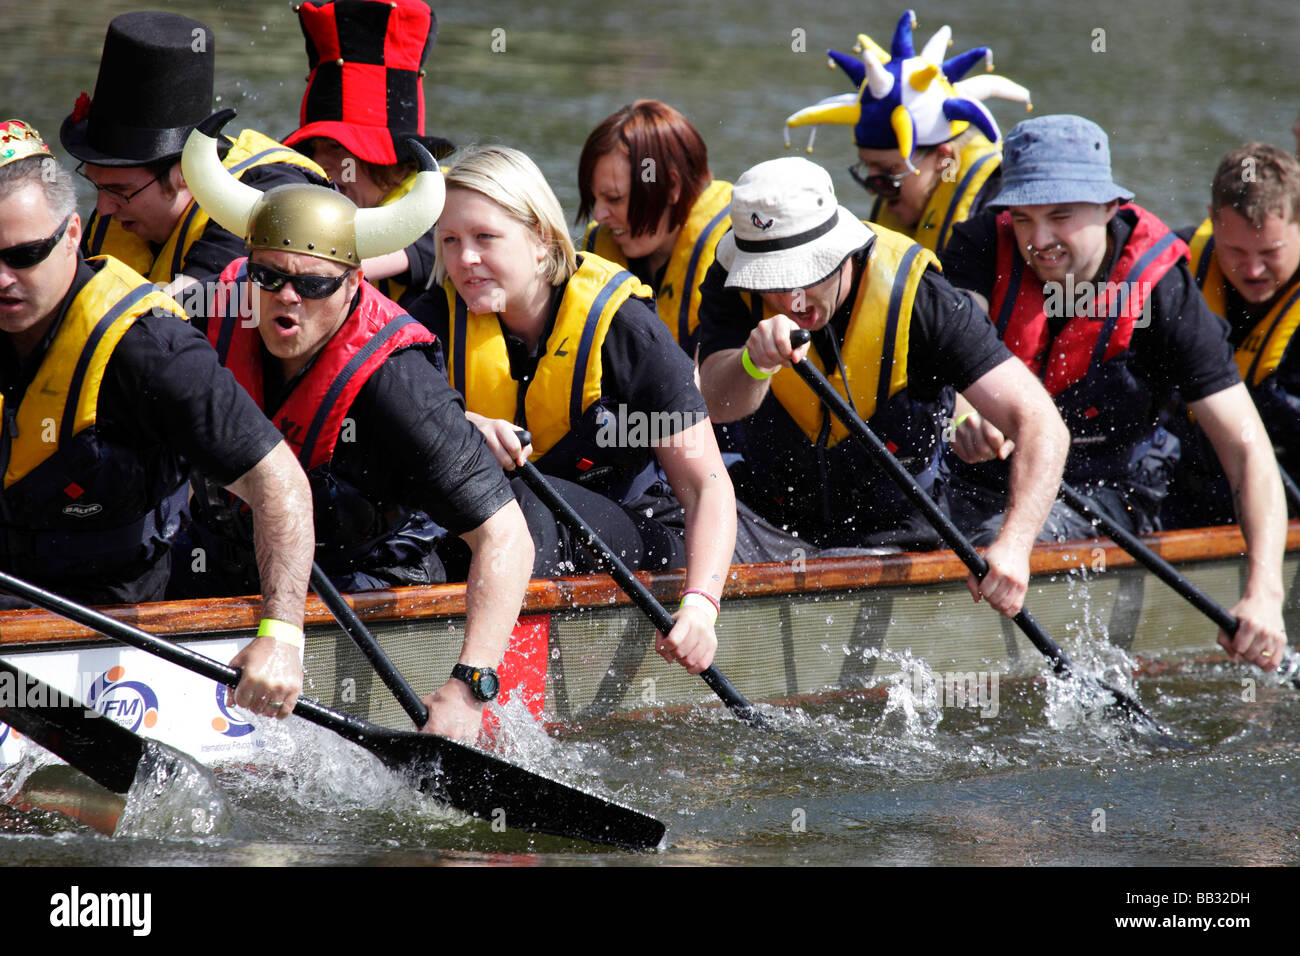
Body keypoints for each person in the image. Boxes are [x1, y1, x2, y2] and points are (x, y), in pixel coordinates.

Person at [180, 116, 532, 740]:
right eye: (268, 277)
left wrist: (470, 686)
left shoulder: (397, 384)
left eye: (312, 284)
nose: (286, 298)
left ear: (352, 284)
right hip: (225, 557)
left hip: (364, 574)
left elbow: (506, 540)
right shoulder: (206, 313)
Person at [939, 114, 1288, 670]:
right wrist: (962, 415)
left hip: (1103, 488)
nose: (1040, 240)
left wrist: (1266, 593)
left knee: (972, 538)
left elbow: (1247, 451)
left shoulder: (1164, 290)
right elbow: (951, 351)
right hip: (979, 471)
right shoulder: (981, 243)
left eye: (1060, 217)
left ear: (1108, 208)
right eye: (1024, 218)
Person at [0, 119, 313, 719]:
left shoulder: (151, 352)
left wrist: (281, 635)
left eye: (23, 256)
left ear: (71, 236)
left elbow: (279, 482)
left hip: (110, 624)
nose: (2, 279)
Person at [410, 145, 750, 677]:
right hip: (499, 530)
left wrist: (701, 608)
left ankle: (478, 685)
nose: (464, 259)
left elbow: (707, 485)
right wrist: (466, 425)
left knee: (511, 500)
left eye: (485, 238)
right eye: (450, 241)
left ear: (541, 240)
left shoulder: (625, 329)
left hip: (631, 527)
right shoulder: (431, 320)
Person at [695, 155, 1069, 618]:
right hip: (768, 524)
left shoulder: (925, 298)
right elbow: (715, 402)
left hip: (901, 536)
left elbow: (1041, 423)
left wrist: (1013, 547)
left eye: (803, 275)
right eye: (771, 281)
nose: (789, 300)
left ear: (840, 251)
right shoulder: (730, 281)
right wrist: (752, 364)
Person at [61, 11, 328, 295]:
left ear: (187, 173)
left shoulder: (272, 188)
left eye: (120, 190)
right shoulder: (115, 208)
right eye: (98, 185)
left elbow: (194, 291)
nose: (103, 208)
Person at [784, 10, 1031, 255]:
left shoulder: (1000, 218)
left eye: (889, 172)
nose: (872, 189)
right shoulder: (902, 203)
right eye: (866, 170)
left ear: (944, 159)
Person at [283, 0, 455, 308]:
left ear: (394, 162)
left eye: (336, 147)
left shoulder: (449, 211)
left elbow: (402, 250)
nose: (318, 165)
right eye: (311, 149)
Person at [1168, 142, 1300, 522]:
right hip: (1184, 486)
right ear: (1212, 217)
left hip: (1284, 492)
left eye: (1270, 252)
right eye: (1236, 252)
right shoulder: (1171, 269)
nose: (1254, 270)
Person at [576, 101, 731, 357]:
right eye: (595, 199)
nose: (599, 215)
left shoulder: (736, 254)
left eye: (614, 198)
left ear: (671, 187)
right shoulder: (597, 254)